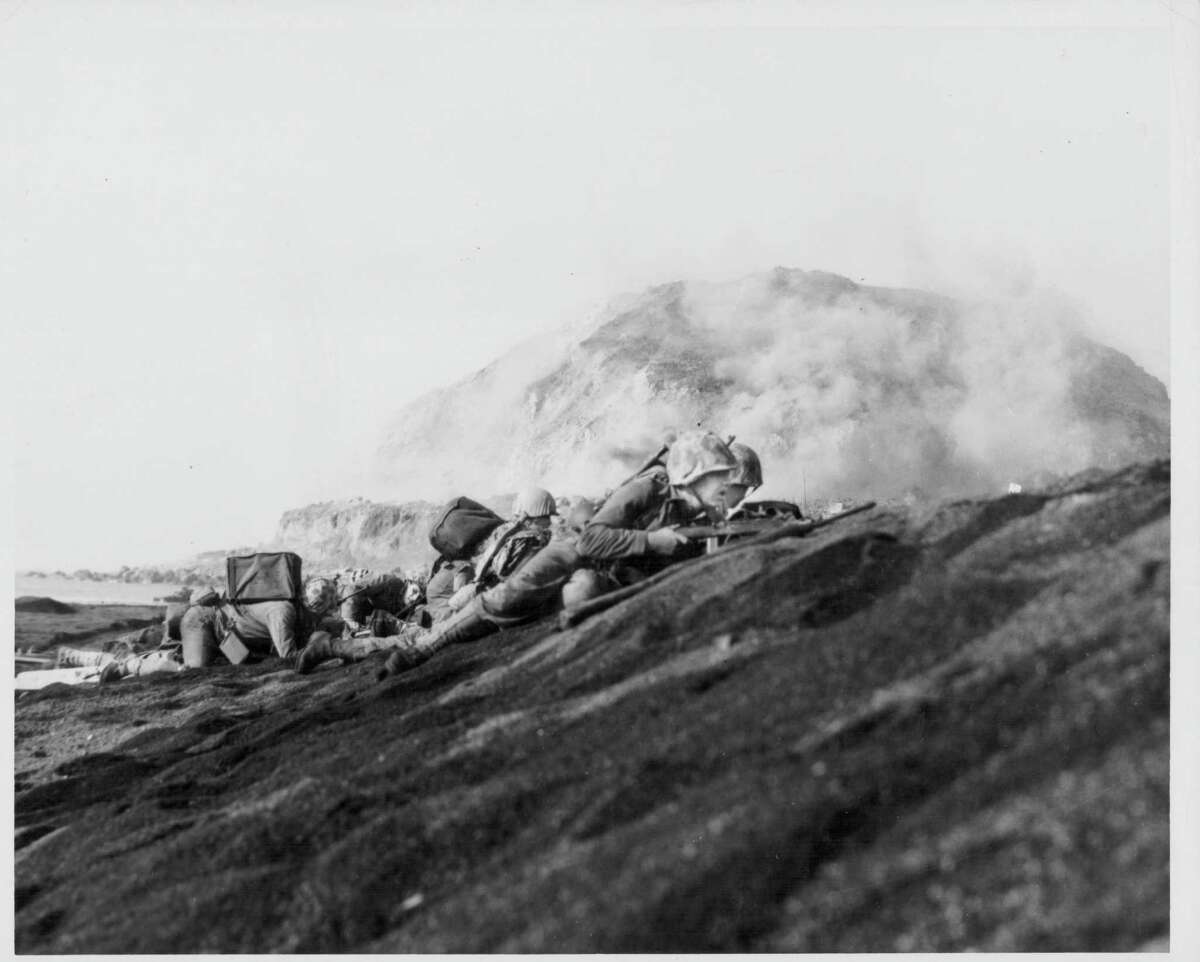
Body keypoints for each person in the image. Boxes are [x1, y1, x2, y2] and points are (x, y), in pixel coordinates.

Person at [377, 431, 742, 677]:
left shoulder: (698, 507)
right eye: (718, 476)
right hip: (573, 546)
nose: (725, 484)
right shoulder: (648, 488)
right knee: (507, 598)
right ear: (692, 474)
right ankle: (424, 649)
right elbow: (590, 541)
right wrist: (653, 542)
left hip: (609, 567)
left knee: (580, 593)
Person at [296, 486, 560, 674]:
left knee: (411, 639)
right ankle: (329, 648)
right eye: (547, 518)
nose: (548, 523)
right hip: (477, 609)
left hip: (472, 605)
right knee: (411, 642)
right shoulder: (527, 541)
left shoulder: (508, 536)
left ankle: (329, 647)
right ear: (540, 515)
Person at [179, 578, 339, 668]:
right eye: (323, 613)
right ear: (313, 608)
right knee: (194, 670)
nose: (322, 618)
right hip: (203, 621)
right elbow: (288, 657)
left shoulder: (296, 609)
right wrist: (330, 652)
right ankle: (162, 661)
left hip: (228, 637)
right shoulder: (283, 611)